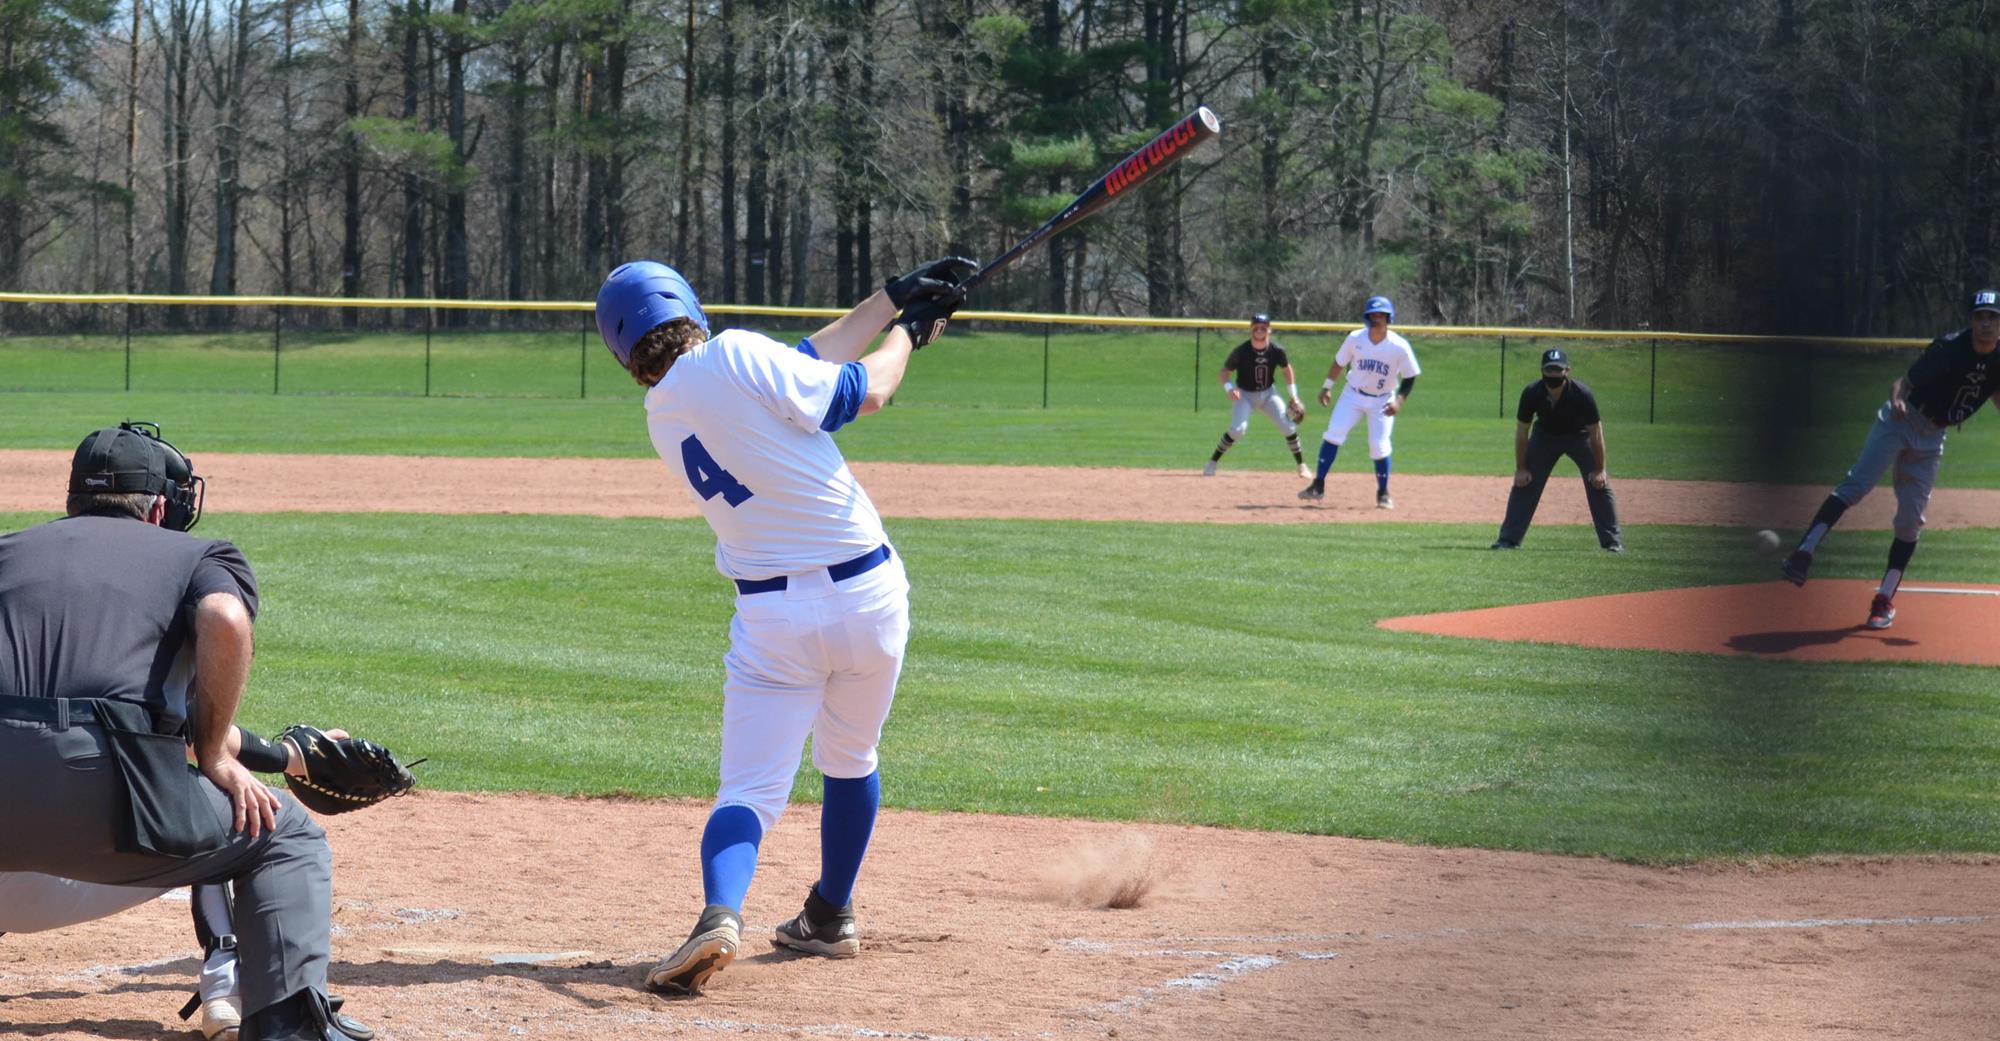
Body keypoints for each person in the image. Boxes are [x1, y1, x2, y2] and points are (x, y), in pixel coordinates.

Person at [594, 256, 973, 996]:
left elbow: (799, 364)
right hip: (869, 596)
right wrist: (907, 338)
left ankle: (721, 912)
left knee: (749, 788)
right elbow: (860, 393)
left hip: (771, 617)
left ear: (623, 349)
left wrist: (888, 301)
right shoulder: (733, 353)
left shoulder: (665, 411)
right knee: (851, 756)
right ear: (687, 306)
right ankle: (830, 914)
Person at [0, 422, 347, 1041]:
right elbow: (224, 617)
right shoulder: (198, 555)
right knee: (279, 832)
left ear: (73, 500)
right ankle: (279, 1024)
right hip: (103, 810)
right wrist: (216, 755)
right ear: (159, 506)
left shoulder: (9, 549)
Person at [0, 724, 377, 1041]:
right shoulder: (109, 640)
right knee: (229, 811)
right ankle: (228, 987)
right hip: (63, 874)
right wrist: (287, 755)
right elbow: (182, 731)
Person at [1779, 289, 2000, 628]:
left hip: (1932, 438)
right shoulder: (1948, 349)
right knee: (1857, 485)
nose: (1986, 323)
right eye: (1980, 316)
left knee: (1911, 522)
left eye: (1993, 317)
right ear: (1970, 321)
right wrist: (1897, 401)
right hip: (1901, 421)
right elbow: (1901, 384)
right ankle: (1803, 552)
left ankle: (1883, 599)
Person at [1490, 348, 1623, 552]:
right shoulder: (1532, 393)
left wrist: (1600, 468)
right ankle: (1508, 539)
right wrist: (1521, 468)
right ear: (1542, 371)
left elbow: (1596, 433)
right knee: (1524, 482)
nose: (1553, 374)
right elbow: (1522, 432)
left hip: (1579, 436)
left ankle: (1612, 542)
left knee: (1599, 484)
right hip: (1545, 436)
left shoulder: (1582, 394)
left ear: (1567, 371)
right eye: (1549, 370)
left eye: (1557, 370)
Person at [1298, 295, 1421, 508]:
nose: (1377, 318)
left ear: (1389, 318)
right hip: (1353, 394)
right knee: (1333, 433)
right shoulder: (1355, 338)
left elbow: (1410, 376)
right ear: (1367, 317)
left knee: (1379, 446)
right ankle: (1318, 485)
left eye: (1381, 315)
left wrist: (1399, 401)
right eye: (1373, 314)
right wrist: (1327, 387)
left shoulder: (1399, 346)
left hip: (1383, 399)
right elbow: (1339, 362)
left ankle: (1383, 493)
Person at [1203, 313, 1310, 477]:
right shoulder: (1241, 351)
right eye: (1256, 327)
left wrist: (1294, 396)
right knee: (1238, 430)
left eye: (1263, 327)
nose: (1259, 330)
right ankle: (1212, 463)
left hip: (1268, 393)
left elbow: (1287, 370)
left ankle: (1302, 466)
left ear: (1269, 330)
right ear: (1251, 329)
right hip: (1244, 394)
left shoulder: (1277, 350)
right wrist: (1229, 388)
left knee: (1288, 427)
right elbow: (1224, 372)